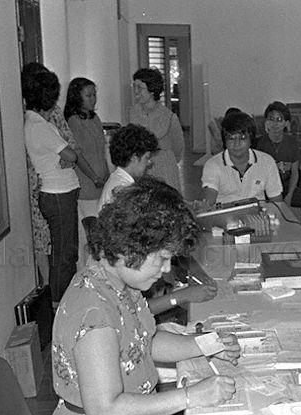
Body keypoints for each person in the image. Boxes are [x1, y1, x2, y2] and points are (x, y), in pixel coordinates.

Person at [47, 176, 241, 415]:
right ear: (128, 249)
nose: (167, 270)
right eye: (162, 258)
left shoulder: (120, 285)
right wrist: (191, 396)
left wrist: (209, 343)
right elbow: (105, 413)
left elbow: (144, 344)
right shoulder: (93, 312)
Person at [99, 124, 216, 313]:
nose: (150, 163)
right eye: (146, 158)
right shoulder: (122, 192)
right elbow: (135, 312)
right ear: (135, 157)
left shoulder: (121, 183)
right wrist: (183, 295)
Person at [23, 68, 82, 306]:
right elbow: (71, 154)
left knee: (66, 250)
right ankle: (60, 303)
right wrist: (68, 157)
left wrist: (67, 157)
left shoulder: (38, 123)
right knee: (64, 254)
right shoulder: (38, 125)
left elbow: (68, 155)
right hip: (57, 194)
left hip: (61, 192)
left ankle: (62, 300)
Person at [64, 77, 109, 268]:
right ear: (77, 98)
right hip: (87, 185)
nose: (93, 99)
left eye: (94, 94)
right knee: (89, 235)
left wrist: (108, 175)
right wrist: (94, 177)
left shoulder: (95, 119)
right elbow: (78, 155)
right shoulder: (74, 122)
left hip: (102, 183)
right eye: (88, 95)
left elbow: (102, 149)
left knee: (103, 232)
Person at [201, 111, 283, 205]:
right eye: (231, 138)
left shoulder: (267, 162)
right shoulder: (213, 164)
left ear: (251, 139)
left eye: (242, 138)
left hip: (257, 216)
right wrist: (204, 205)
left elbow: (277, 200)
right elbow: (209, 195)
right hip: (225, 215)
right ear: (225, 141)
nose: (236, 144)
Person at [129, 68, 184, 193]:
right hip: (140, 168)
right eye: (134, 87)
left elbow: (178, 148)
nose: (136, 92)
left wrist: (162, 158)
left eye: (140, 88)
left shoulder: (168, 116)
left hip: (164, 168)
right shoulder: (132, 112)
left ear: (152, 90)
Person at [254, 101, 301, 210]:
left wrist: (289, 195)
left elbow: (295, 173)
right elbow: (257, 177)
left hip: (288, 186)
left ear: (286, 123)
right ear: (266, 122)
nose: (275, 123)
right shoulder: (260, 144)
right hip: (266, 189)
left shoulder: (292, 142)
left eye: (279, 119)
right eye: (271, 119)